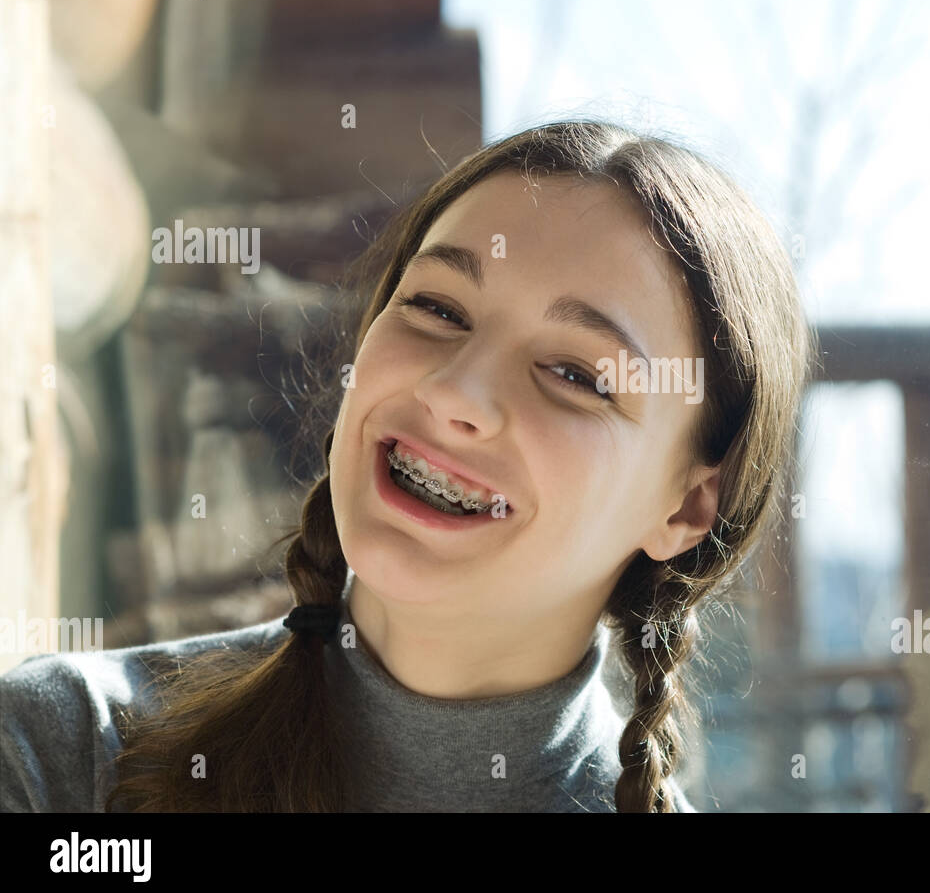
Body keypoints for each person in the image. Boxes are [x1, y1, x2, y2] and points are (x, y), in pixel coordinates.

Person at [0, 119, 818, 812]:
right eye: (437, 308)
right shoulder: (66, 758)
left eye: (576, 375)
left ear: (685, 509)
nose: (453, 389)